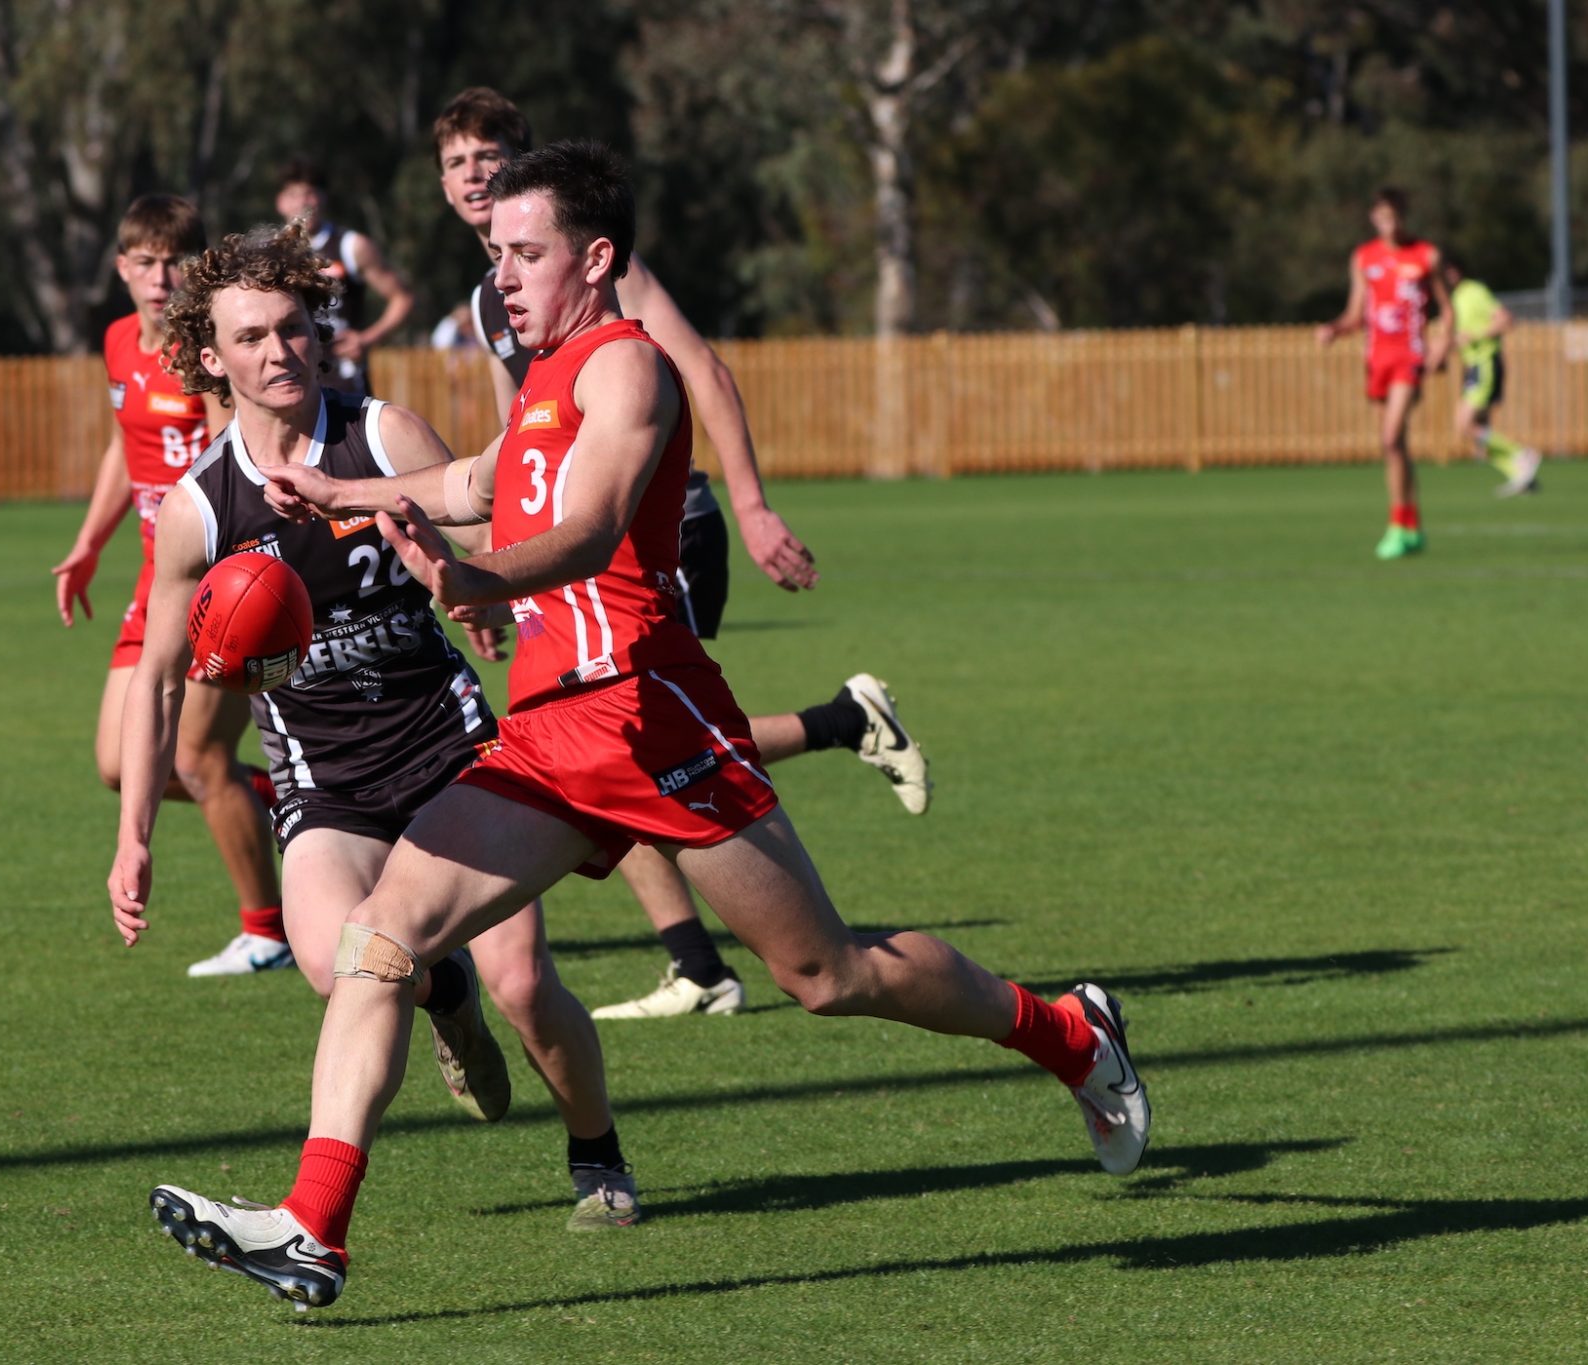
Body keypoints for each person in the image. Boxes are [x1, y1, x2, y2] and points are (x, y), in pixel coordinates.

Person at [134, 141, 1149, 1312]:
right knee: (379, 942)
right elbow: (475, 481)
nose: (500, 276)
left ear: (594, 257)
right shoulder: (549, 367)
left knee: (828, 976)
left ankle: (1066, 1034)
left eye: (523, 253)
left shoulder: (625, 369)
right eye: (494, 254)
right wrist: (353, 496)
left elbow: (588, 529)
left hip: (646, 718)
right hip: (545, 734)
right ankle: (313, 1225)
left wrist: (472, 584)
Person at [113, 221, 641, 1240]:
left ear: (320, 331)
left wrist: (478, 594)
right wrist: (134, 833)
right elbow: (160, 678)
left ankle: (597, 1152)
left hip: (451, 753)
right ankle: (444, 993)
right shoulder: (198, 511)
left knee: (528, 984)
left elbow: (487, 537)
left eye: (294, 327)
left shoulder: (381, 436)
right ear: (209, 358)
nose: (279, 352)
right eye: (252, 336)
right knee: (338, 966)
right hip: (327, 782)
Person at [433, 86, 929, 1020]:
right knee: (616, 744)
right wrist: (504, 568)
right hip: (565, 545)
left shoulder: (605, 276)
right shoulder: (494, 295)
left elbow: (699, 368)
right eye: (458, 162)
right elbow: (524, 444)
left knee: (641, 725)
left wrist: (751, 504)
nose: (475, 173)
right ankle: (698, 961)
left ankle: (834, 731)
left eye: (492, 155)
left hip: (661, 522)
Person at [52, 194, 289, 978]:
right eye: (146, 262)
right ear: (121, 268)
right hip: (157, 575)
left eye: (175, 261)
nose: (161, 278)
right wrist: (89, 545)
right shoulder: (120, 342)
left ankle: (267, 931)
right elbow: (129, 448)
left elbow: (238, 447)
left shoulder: (206, 353)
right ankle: (294, 794)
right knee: (120, 766)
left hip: (220, 571)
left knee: (193, 757)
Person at [1316, 186, 1455, 560]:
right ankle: (1412, 527)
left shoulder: (1426, 255)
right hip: (1377, 357)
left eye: (1394, 217)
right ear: (1373, 219)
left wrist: (1442, 345)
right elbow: (1355, 313)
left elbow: (1446, 307)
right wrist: (1334, 329)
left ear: (1404, 217)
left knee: (1392, 436)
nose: (1388, 225)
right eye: (1381, 218)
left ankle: (1398, 524)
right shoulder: (1364, 258)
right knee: (1393, 447)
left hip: (1409, 355)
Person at [274, 159, 414, 396]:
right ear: (280, 202)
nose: (302, 203)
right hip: (290, 377)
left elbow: (403, 299)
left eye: (310, 194)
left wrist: (367, 339)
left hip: (344, 380)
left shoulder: (351, 245)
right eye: (293, 195)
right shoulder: (271, 252)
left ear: (322, 198)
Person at [1440, 253, 1541, 497]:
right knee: (1477, 433)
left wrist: (1475, 336)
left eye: (1450, 268)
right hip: (1473, 365)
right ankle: (1520, 474)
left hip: (1484, 363)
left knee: (1464, 425)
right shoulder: (1453, 298)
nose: (1447, 274)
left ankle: (1521, 454)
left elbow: (1506, 320)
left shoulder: (1473, 291)